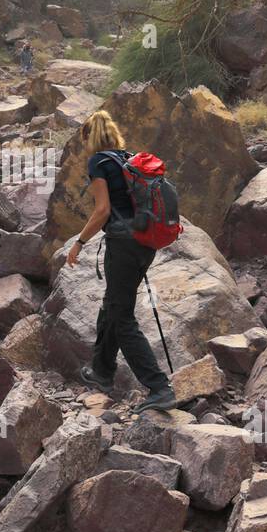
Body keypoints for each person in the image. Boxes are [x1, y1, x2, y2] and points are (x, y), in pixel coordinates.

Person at [66, 110, 177, 411]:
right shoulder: (127, 158)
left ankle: (158, 387)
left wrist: (79, 242)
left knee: (122, 315)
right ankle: (102, 371)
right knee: (113, 304)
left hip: (123, 244)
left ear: (90, 136)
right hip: (145, 243)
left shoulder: (98, 162)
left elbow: (102, 210)